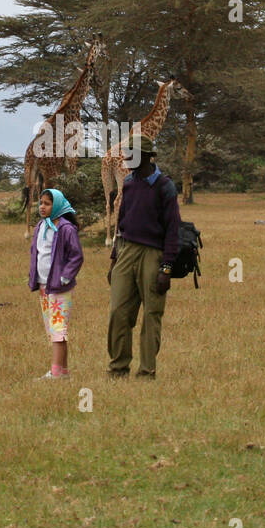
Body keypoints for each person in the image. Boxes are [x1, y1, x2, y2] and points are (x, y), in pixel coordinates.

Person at [106, 135, 181, 379]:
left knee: (151, 314)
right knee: (118, 312)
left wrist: (166, 268)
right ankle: (118, 368)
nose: (128, 158)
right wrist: (115, 258)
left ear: (148, 157)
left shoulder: (164, 186)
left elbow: (173, 230)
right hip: (126, 250)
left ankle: (147, 372)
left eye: (134, 153)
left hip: (153, 253)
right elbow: (122, 222)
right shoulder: (128, 182)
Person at [28, 188, 83, 380]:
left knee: (58, 329)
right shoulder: (40, 226)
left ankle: (56, 372)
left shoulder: (66, 228)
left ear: (57, 205)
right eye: (40, 203)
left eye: (47, 203)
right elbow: (36, 253)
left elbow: (76, 256)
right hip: (44, 287)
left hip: (59, 288)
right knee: (53, 329)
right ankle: (64, 370)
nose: (42, 207)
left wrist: (64, 277)